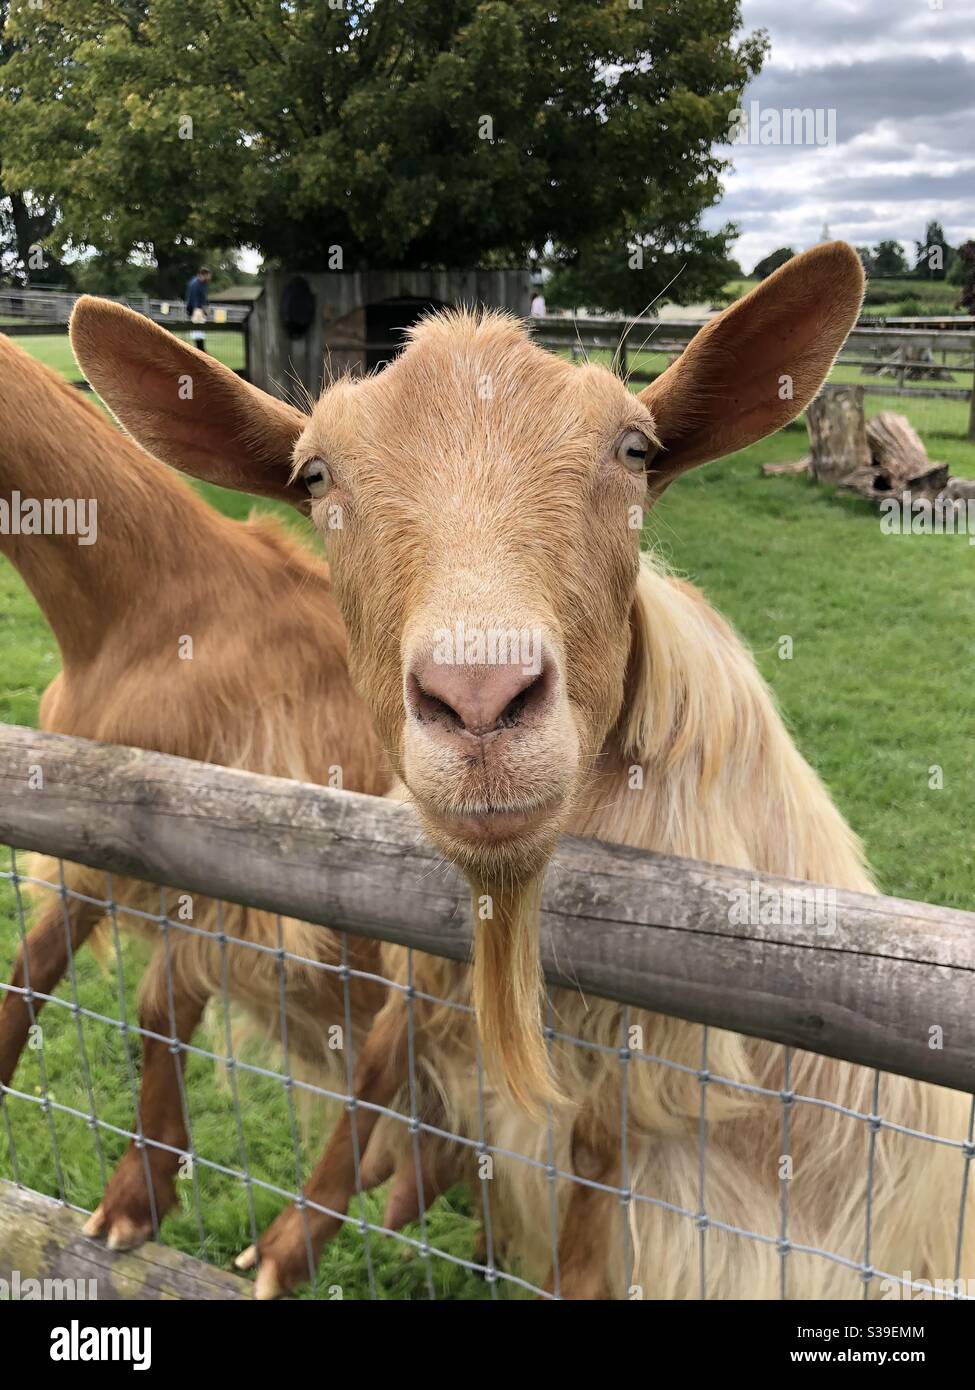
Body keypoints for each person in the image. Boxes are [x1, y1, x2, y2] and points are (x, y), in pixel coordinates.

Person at [185, 266, 212, 351]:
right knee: (198, 333)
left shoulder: (203, 284)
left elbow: (204, 298)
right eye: (208, 275)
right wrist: (197, 310)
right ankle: (200, 350)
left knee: (200, 332)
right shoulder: (195, 284)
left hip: (200, 310)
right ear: (203, 274)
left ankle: (201, 350)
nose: (209, 277)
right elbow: (194, 299)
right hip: (196, 310)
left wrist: (206, 308)